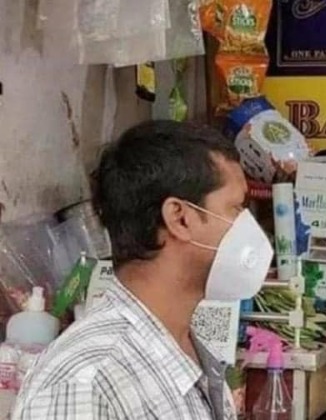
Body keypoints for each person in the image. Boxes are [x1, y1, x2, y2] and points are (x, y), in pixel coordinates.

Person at [13, 121, 273, 419]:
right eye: (236, 209)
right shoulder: (86, 382)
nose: (248, 228)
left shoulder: (189, 348)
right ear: (180, 218)